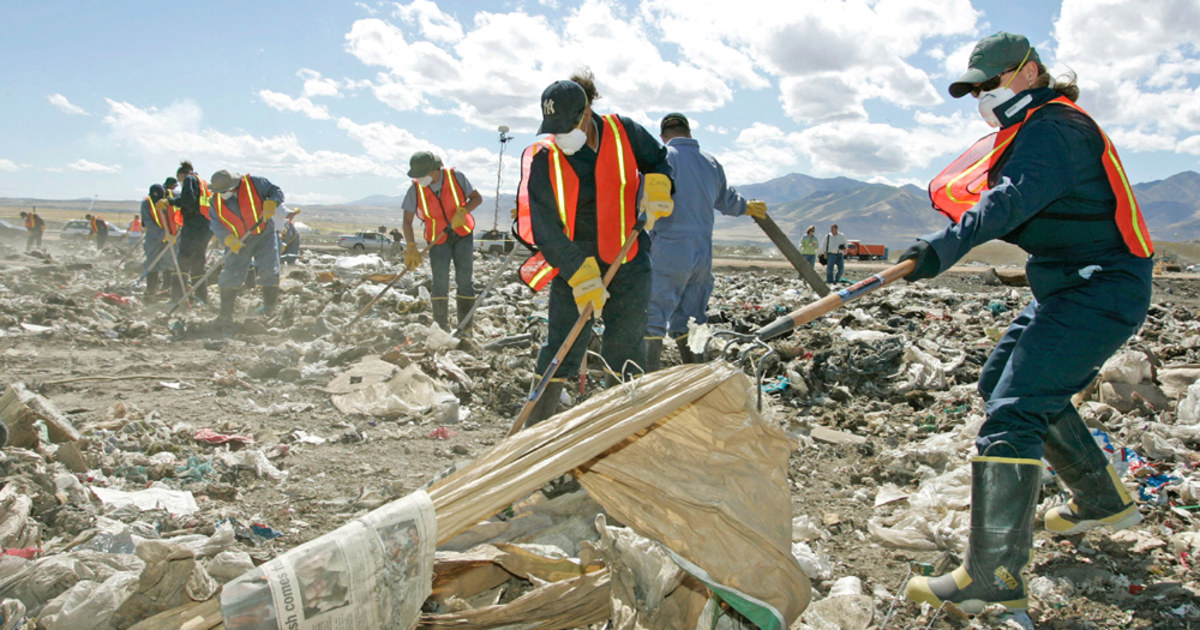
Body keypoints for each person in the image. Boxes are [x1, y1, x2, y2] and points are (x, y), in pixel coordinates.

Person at [902, 32, 1154, 614]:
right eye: (975, 90)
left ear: (1030, 72)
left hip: (1100, 287)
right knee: (1002, 386)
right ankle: (1101, 500)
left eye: (991, 83)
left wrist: (939, 250)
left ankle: (994, 575)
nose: (984, 97)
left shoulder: (1056, 128)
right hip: (1067, 286)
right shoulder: (1031, 130)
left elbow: (1010, 201)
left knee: (1015, 411)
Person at [516, 72, 673, 426]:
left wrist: (660, 186)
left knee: (626, 347)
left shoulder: (625, 132)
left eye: (566, 126)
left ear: (586, 114)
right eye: (553, 129)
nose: (559, 136)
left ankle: (622, 428)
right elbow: (545, 227)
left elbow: (657, 160)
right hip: (574, 262)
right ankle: (535, 429)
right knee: (561, 345)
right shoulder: (546, 159)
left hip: (628, 258)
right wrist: (579, 274)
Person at [644, 112, 765, 371]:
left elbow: (643, 198)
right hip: (703, 252)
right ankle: (696, 374)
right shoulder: (710, 162)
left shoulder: (664, 158)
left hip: (670, 248)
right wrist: (748, 207)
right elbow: (727, 200)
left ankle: (648, 385)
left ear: (664, 137)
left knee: (653, 314)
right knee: (692, 318)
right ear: (689, 133)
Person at [400, 151, 482, 334]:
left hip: (462, 234)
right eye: (417, 176)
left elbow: (477, 198)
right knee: (439, 282)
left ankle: (466, 328)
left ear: (437, 169)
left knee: (464, 280)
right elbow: (407, 221)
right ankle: (441, 328)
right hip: (437, 238)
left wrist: (463, 212)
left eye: (424, 174)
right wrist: (411, 246)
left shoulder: (456, 177)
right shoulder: (415, 189)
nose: (420, 179)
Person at [207, 169, 285, 322]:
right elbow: (216, 224)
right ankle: (225, 315)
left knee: (269, 270)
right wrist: (227, 239)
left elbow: (276, 191)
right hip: (239, 242)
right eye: (219, 191)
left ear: (233, 186)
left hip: (264, 235)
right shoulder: (215, 201)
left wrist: (271, 203)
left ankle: (269, 310)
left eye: (225, 191)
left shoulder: (255, 183)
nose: (223, 194)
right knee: (231, 274)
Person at [173, 161, 214, 304]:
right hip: (206, 227)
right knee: (198, 263)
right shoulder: (203, 182)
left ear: (182, 174)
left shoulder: (189, 179)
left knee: (182, 260)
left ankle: (178, 297)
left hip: (193, 226)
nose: (180, 182)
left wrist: (171, 201)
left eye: (179, 180)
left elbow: (188, 199)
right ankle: (201, 297)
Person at [140, 184, 179, 301]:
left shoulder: (173, 199)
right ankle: (151, 289)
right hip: (154, 236)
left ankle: (167, 288)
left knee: (170, 261)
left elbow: (179, 217)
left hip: (173, 235)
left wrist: (174, 234)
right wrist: (163, 235)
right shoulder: (146, 203)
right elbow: (148, 222)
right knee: (152, 262)